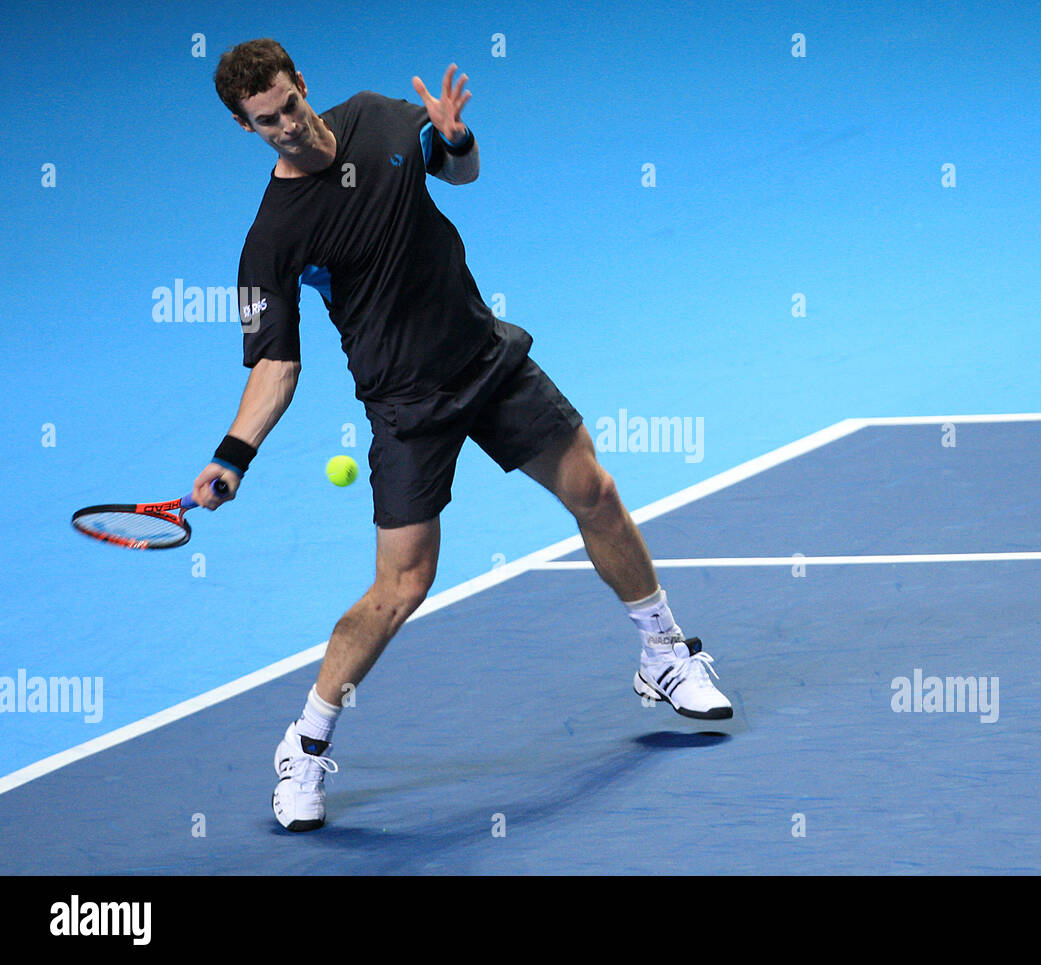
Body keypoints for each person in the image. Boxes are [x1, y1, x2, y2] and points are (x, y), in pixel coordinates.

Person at [199, 39, 732, 832]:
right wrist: (231, 457)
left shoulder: (380, 119)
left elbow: (461, 172)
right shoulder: (271, 238)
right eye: (265, 122)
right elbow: (276, 366)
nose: (285, 127)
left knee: (595, 489)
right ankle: (304, 746)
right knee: (401, 587)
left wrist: (451, 137)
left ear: (303, 85)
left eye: (288, 106)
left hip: (485, 359)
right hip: (405, 404)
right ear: (246, 128)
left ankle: (663, 653)